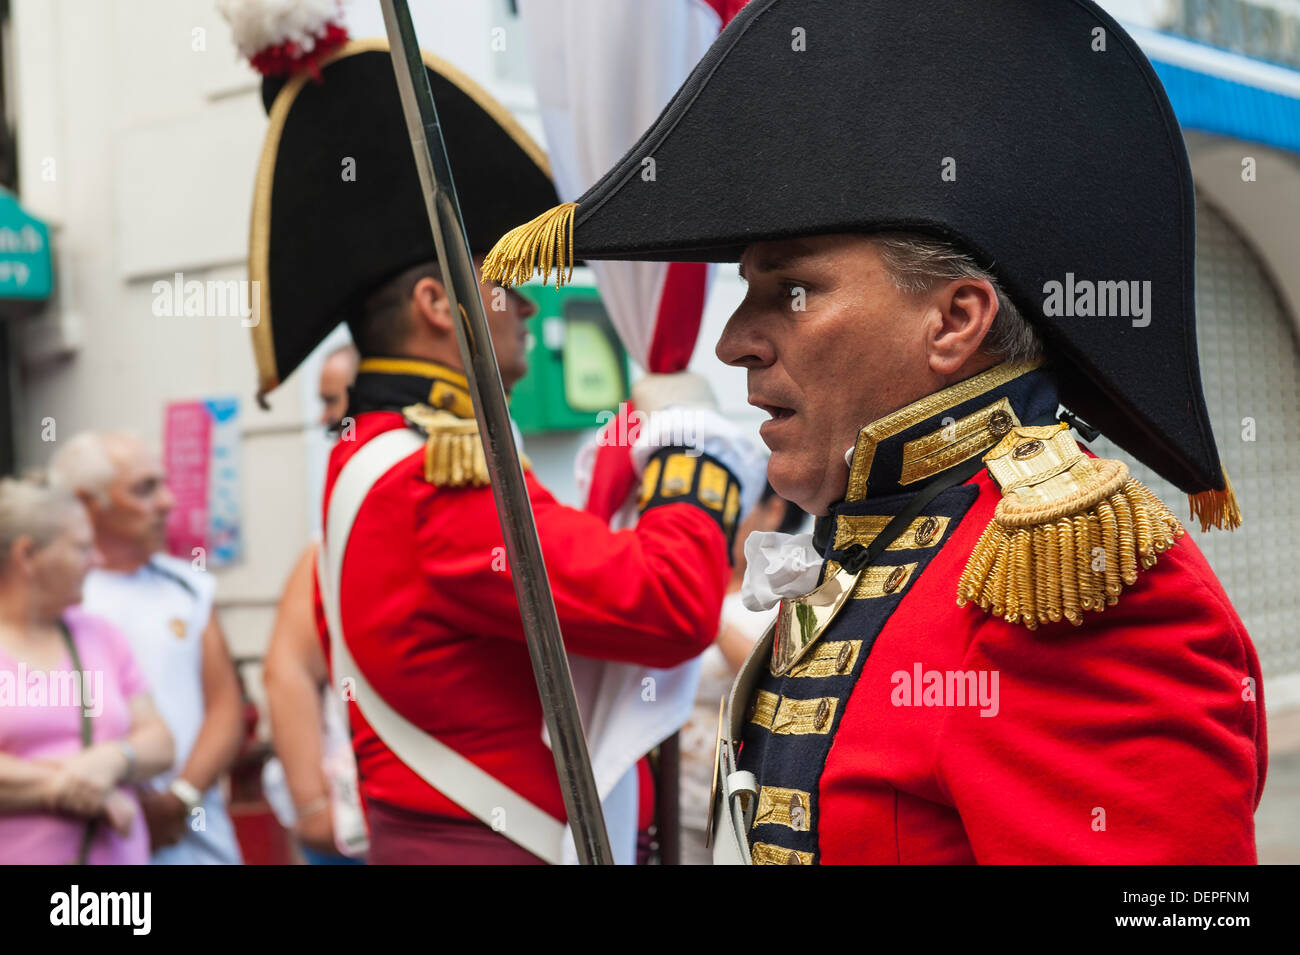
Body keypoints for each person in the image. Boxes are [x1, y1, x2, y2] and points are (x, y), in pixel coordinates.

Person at [482, 0, 1267, 864]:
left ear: (954, 322)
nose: (733, 340)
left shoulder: (1069, 581)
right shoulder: (872, 536)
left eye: (790, 290)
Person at [232, 32, 765, 865]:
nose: (523, 306)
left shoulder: (386, 447)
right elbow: (664, 606)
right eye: (503, 283)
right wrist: (694, 460)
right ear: (439, 303)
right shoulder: (428, 476)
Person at [49, 432, 246, 865]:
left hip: (198, 831)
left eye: (164, 484)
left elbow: (225, 707)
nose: (168, 502)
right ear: (89, 503)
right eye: (145, 488)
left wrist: (180, 797)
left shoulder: (190, 586)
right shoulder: (57, 597)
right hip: (96, 835)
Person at [0, 476, 173, 864]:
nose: (96, 559)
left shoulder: (101, 636)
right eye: (81, 547)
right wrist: (93, 789)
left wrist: (112, 759)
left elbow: (161, 741)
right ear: (27, 555)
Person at [263, 342, 365, 864]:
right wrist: (312, 812)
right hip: (357, 829)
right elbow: (287, 673)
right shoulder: (328, 547)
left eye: (332, 400)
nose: (324, 417)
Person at [678, 481, 804, 864]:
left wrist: (708, 616)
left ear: (774, 511)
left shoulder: (788, 594)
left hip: (739, 799)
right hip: (678, 795)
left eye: (737, 506)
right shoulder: (703, 584)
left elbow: (775, 674)